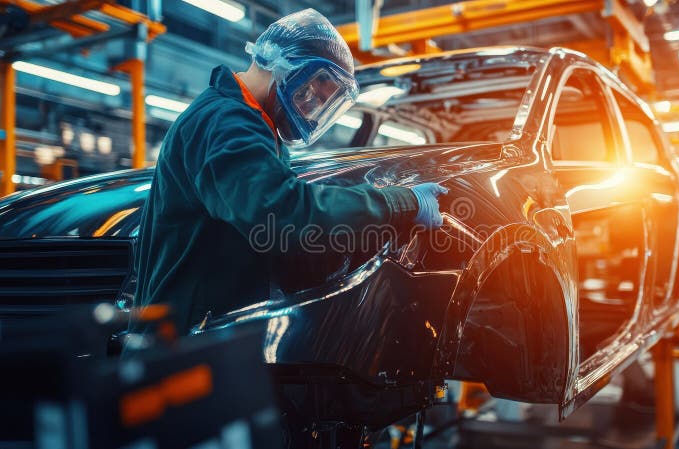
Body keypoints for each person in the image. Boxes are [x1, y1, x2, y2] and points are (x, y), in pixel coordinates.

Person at [130, 9, 447, 336]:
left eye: (320, 104)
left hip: (206, 336)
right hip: (180, 348)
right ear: (287, 70)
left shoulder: (256, 127)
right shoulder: (226, 123)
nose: (310, 112)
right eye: (310, 96)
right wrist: (399, 203)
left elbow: (275, 241)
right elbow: (284, 214)